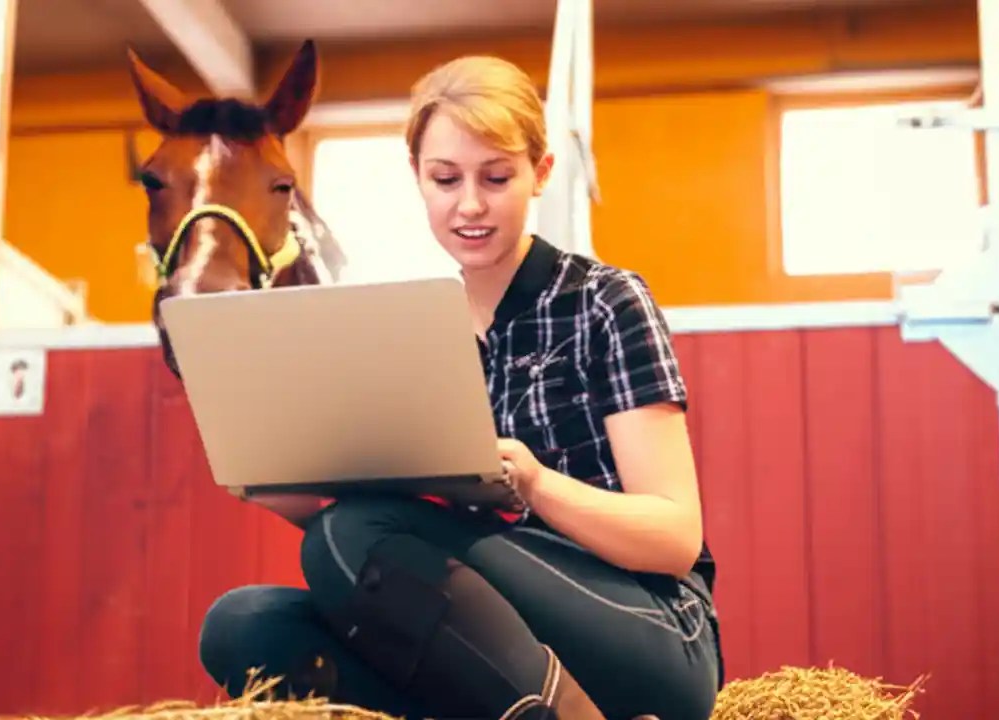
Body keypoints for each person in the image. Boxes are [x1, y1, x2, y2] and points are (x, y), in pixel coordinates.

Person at [198, 55, 723, 720]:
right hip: (488, 627)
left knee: (350, 534)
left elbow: (674, 537)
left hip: (648, 628)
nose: (469, 204)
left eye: (496, 177)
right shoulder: (411, 331)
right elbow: (384, 533)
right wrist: (276, 482)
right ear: (417, 178)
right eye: (445, 179)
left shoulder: (605, 300)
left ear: (541, 172)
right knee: (244, 623)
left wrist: (534, 483)